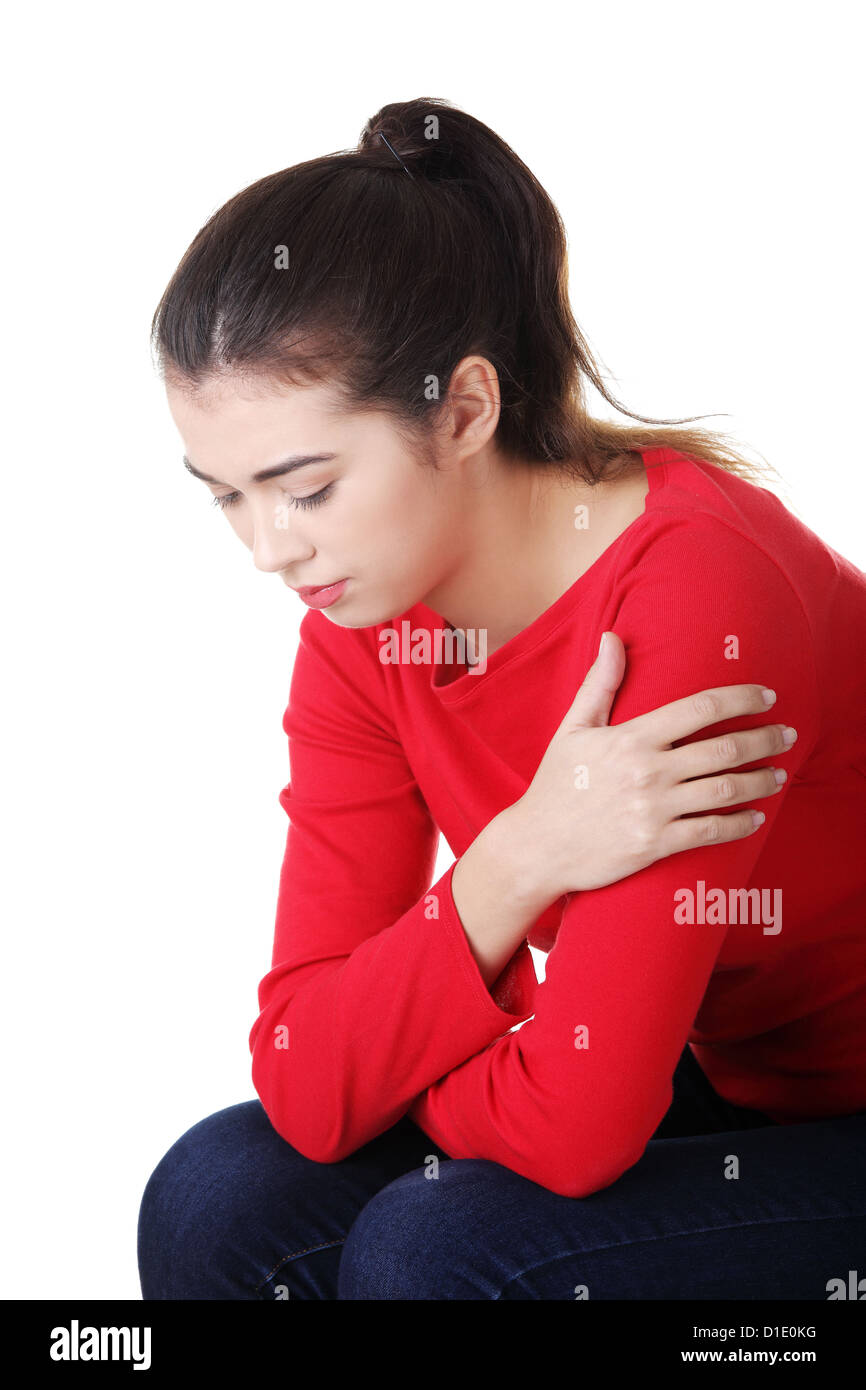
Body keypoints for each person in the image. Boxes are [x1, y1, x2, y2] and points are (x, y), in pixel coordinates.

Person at [137, 97, 866, 1300]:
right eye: (224, 496)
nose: (269, 549)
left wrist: (376, 1054)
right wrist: (512, 865)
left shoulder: (696, 592)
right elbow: (300, 1077)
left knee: (436, 1251)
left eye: (305, 486)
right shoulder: (360, 619)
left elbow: (571, 1122)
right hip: (728, 1080)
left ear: (465, 408)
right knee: (220, 1195)